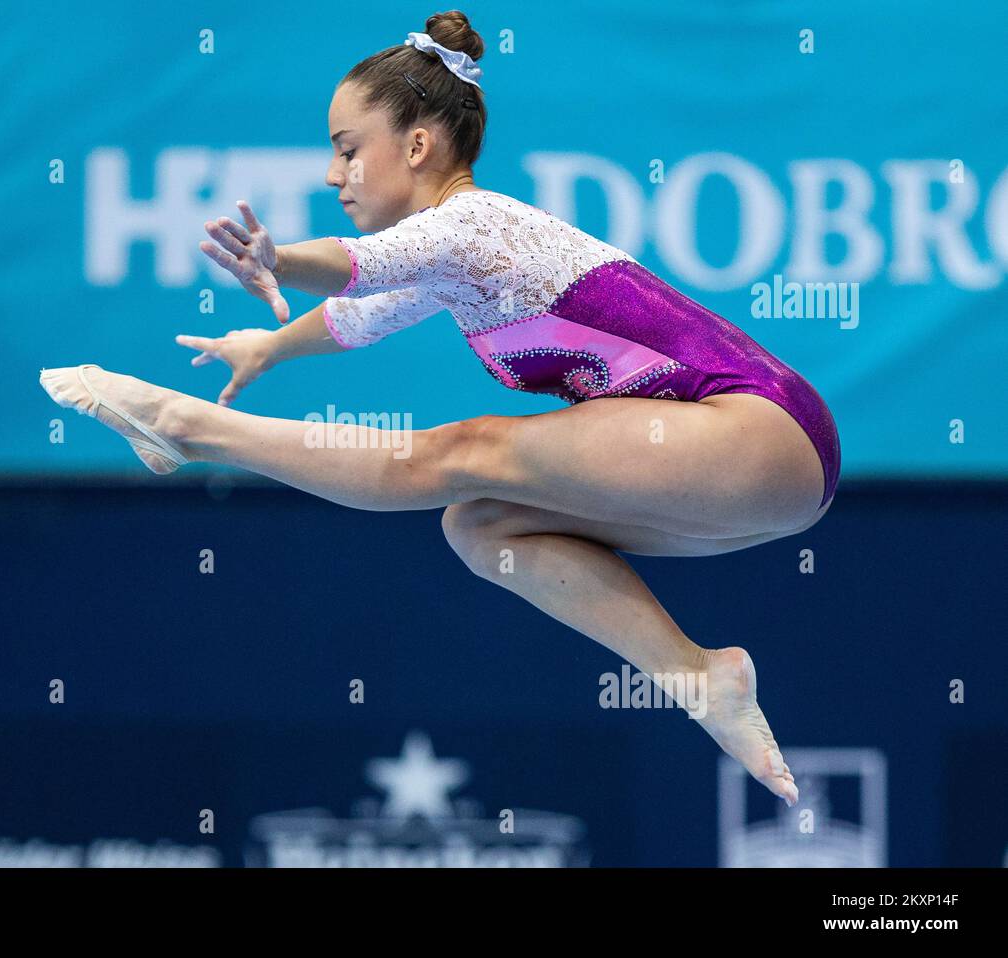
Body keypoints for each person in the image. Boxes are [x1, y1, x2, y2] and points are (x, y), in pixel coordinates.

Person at [42, 10, 841, 807]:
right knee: (483, 526)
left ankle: (188, 429)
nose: (333, 175)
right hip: (761, 489)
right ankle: (698, 676)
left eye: (347, 149)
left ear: (417, 145)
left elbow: (357, 270)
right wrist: (269, 347)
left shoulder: (474, 226)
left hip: (763, 432)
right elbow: (361, 313)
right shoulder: (458, 254)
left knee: (465, 450)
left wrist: (277, 258)